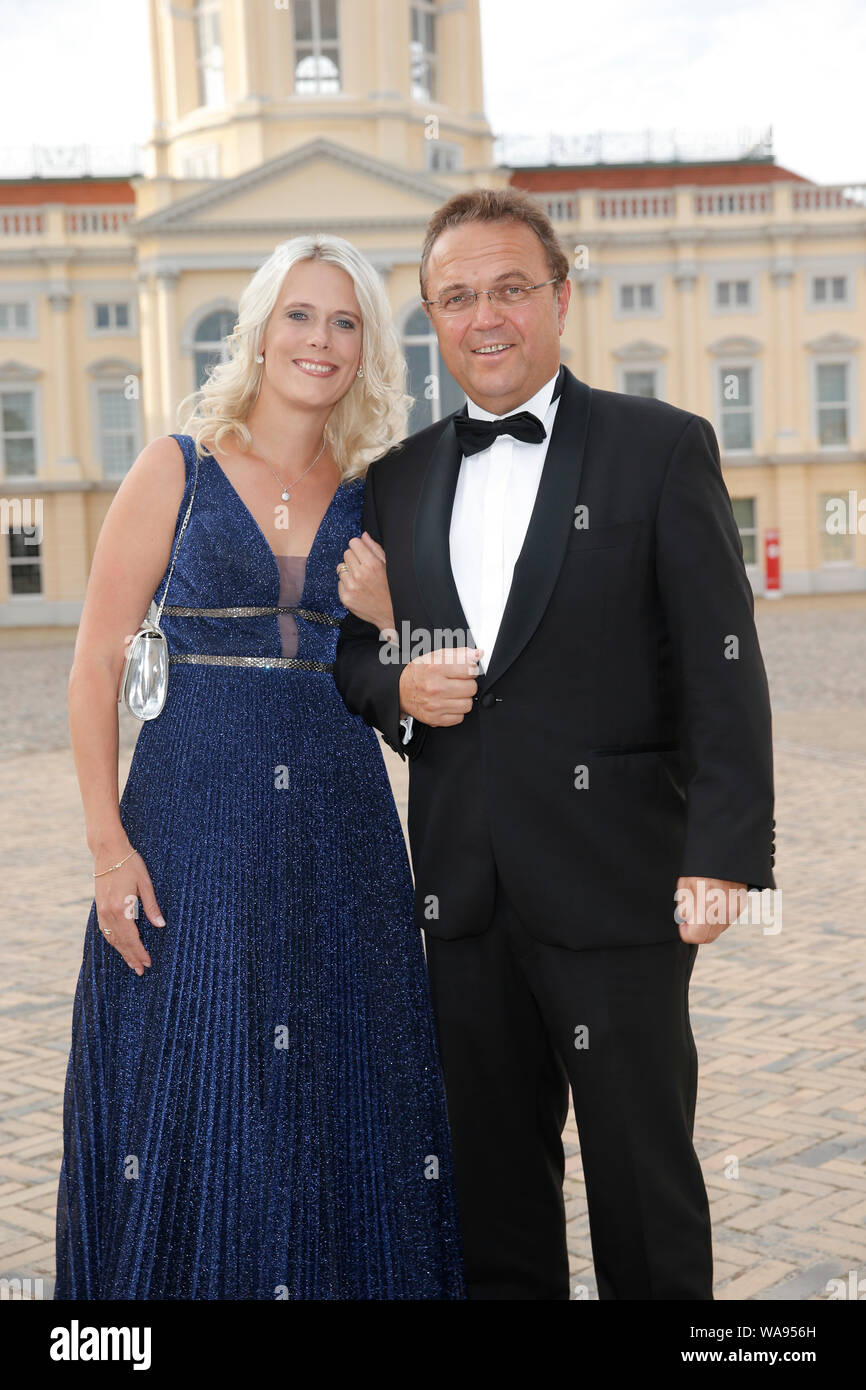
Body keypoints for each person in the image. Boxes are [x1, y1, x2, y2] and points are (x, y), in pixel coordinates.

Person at [333, 187, 776, 1300]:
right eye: (457, 297)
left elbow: (720, 664)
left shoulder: (660, 448)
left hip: (618, 888)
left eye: (510, 289)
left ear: (560, 297)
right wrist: (399, 682)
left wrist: (721, 851)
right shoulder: (396, 479)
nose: (485, 317)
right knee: (492, 1197)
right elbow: (356, 661)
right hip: (464, 901)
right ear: (433, 317)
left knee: (643, 1186)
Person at [54, 234, 465, 1300]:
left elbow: (429, 676)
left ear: (365, 346)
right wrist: (108, 850)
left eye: (343, 321)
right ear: (260, 328)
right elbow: (96, 662)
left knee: (344, 1069)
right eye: (298, 314)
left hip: (339, 810)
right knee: (199, 1067)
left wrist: (388, 615)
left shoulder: (379, 488)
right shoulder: (177, 466)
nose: (318, 340)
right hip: (193, 808)